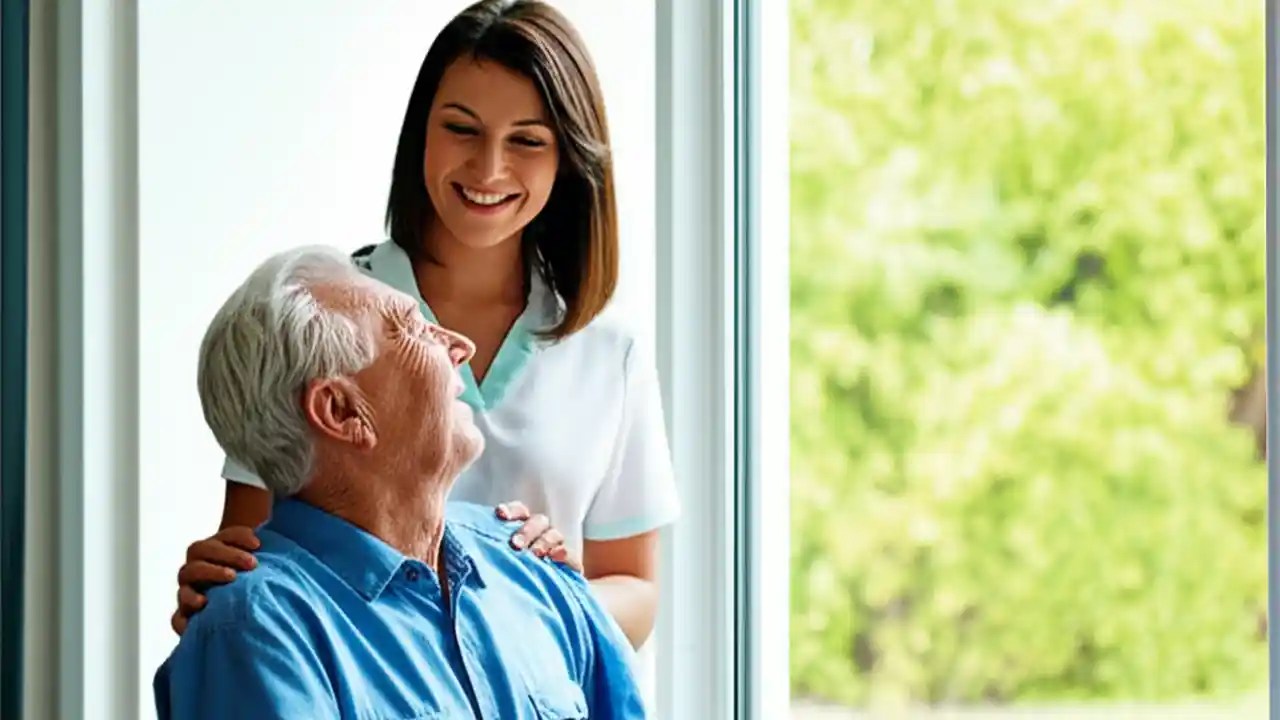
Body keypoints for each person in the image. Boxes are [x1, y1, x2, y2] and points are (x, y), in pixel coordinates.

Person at [170, 0, 680, 688]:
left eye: (527, 140)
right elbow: (262, 553)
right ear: (422, 136)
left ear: (568, 158)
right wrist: (220, 585)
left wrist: (551, 592)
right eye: (461, 129)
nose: (489, 167)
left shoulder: (606, 350)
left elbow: (635, 586)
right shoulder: (321, 313)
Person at [153, 245, 646, 719]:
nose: (461, 346)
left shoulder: (532, 564)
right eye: (412, 328)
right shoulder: (256, 628)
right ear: (342, 411)